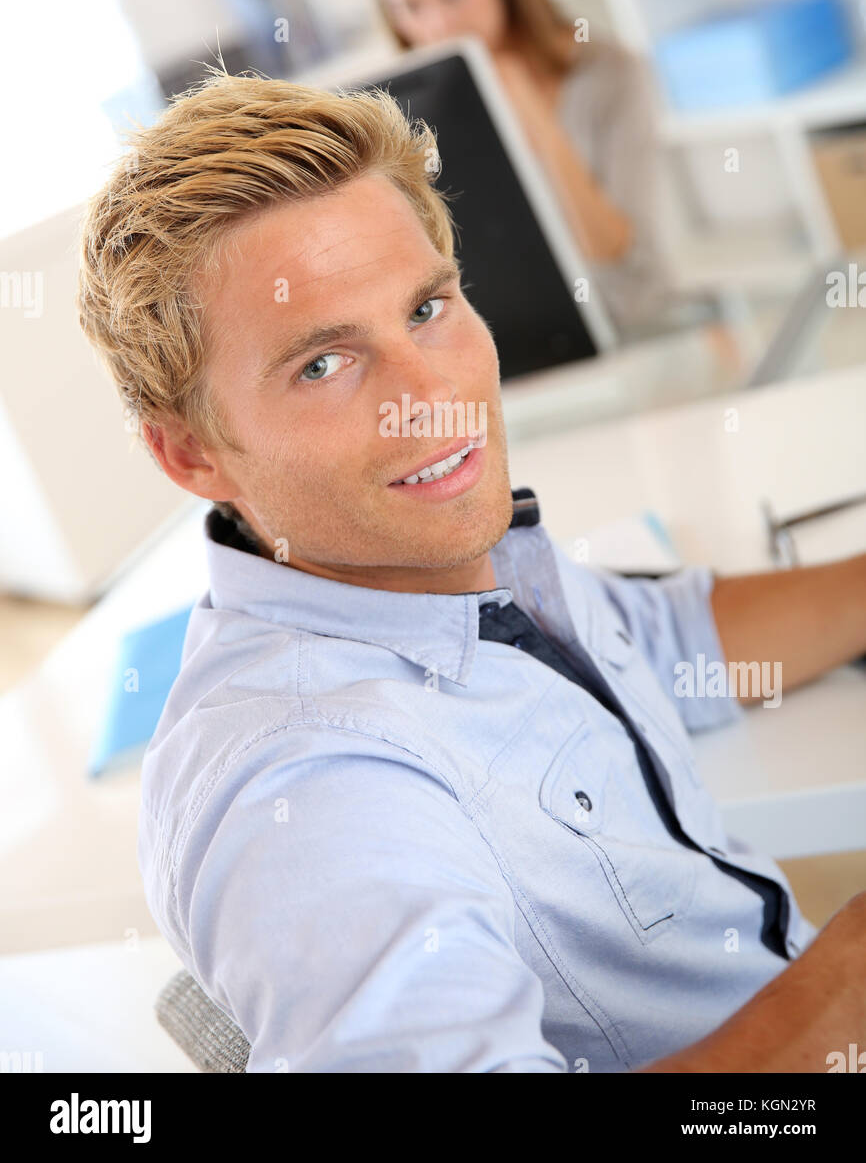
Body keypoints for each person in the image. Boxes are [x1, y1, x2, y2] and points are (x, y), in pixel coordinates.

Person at [77, 71, 866, 1073]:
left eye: (426, 307)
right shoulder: (315, 788)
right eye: (322, 364)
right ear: (191, 454)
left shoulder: (424, 567)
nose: (431, 394)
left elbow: (659, 641)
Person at [370, 0, 672, 337]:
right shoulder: (408, 116)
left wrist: (530, 114)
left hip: (634, 324)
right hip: (502, 348)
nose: (439, 23)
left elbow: (621, 257)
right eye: (410, 6)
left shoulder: (609, 72)